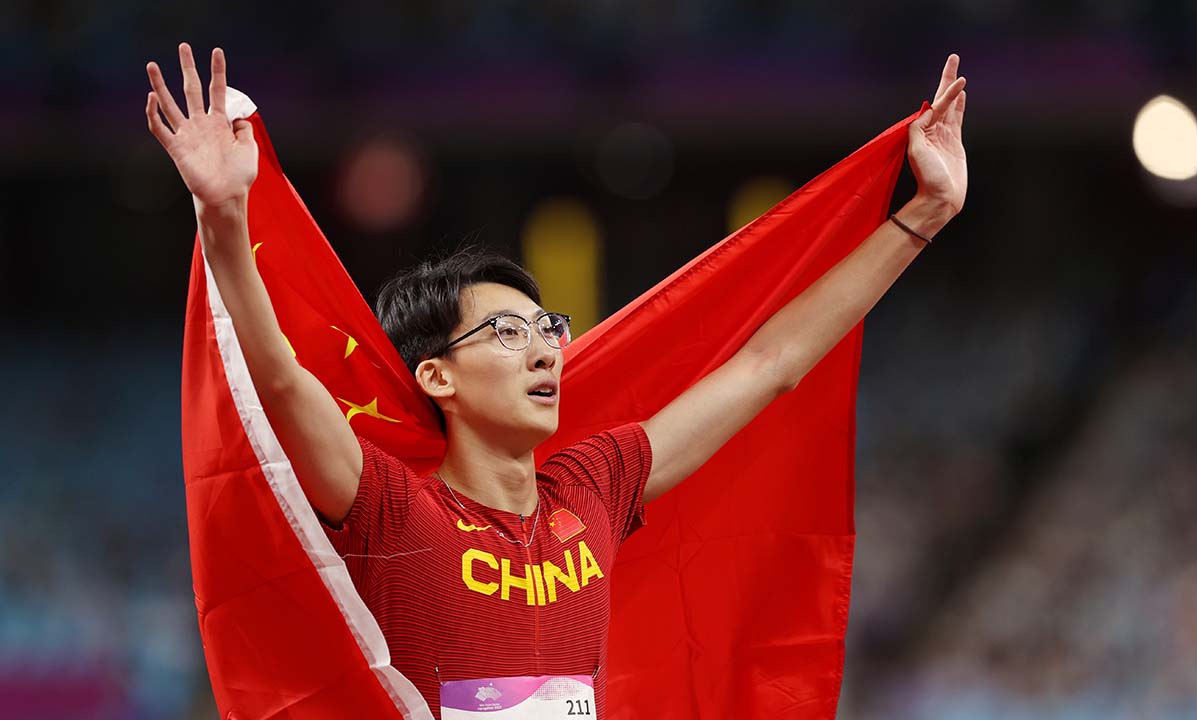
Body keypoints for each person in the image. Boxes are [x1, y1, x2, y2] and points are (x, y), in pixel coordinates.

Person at [146, 42, 967, 717]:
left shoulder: (595, 487)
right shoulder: (394, 510)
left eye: (549, 330)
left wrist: (922, 217)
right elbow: (283, 382)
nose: (544, 352)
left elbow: (770, 365)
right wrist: (225, 216)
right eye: (506, 333)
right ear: (437, 376)